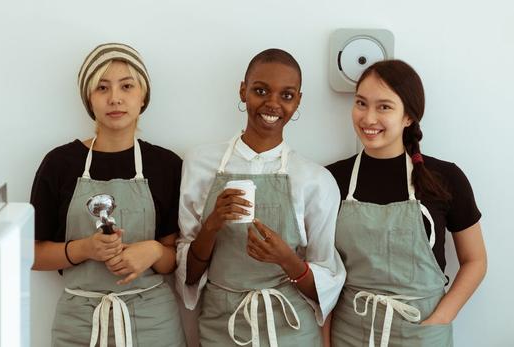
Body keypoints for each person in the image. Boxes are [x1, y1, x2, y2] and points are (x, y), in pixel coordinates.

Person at [176, 48, 346, 346]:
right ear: (243, 91)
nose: (272, 104)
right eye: (260, 90)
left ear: (298, 102)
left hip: (290, 330)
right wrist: (212, 225)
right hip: (222, 328)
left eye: (287, 95)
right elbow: (189, 277)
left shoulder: (315, 179)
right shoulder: (200, 163)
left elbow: (325, 284)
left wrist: (286, 259)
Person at [30, 43, 186, 347]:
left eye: (127, 86)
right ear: (90, 99)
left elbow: (175, 257)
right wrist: (85, 249)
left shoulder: (167, 165)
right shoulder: (60, 164)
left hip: (152, 324)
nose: (115, 98)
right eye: (102, 87)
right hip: (79, 325)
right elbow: (31, 253)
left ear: (143, 96)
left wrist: (153, 250)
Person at [326, 59, 487, 347]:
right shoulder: (331, 179)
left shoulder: (445, 178)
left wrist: (442, 317)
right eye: (361, 103)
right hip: (349, 332)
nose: (368, 118)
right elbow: (322, 271)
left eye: (384, 107)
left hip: (421, 333)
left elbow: (475, 260)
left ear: (409, 116)